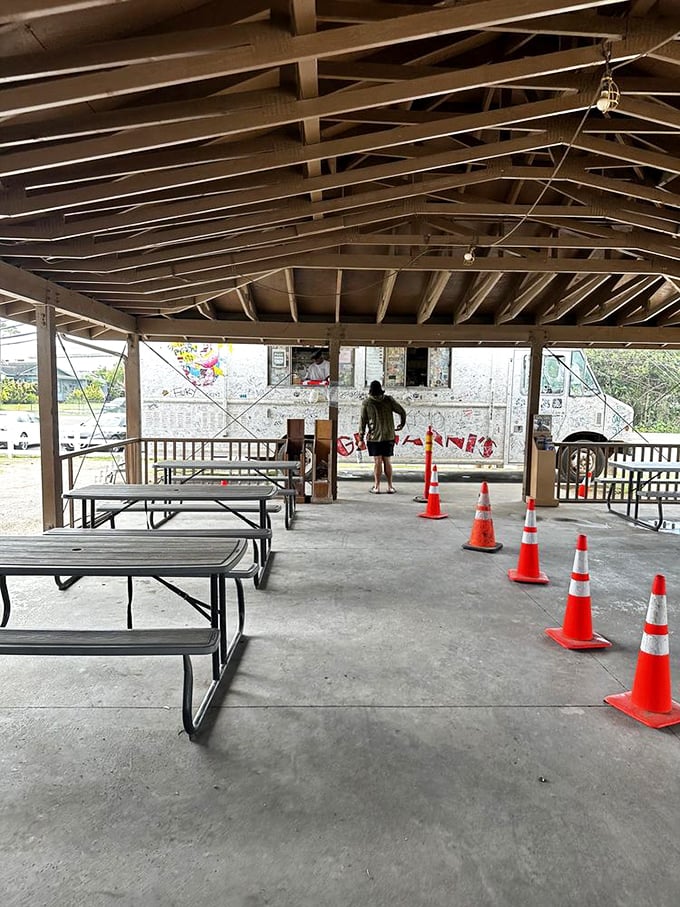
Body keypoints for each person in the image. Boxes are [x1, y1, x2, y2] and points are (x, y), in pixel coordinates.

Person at [359, 380, 406, 494]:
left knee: (377, 461)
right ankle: (390, 486)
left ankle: (376, 487)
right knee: (387, 461)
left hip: (374, 437)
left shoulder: (367, 403)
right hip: (388, 435)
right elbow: (402, 411)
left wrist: (361, 438)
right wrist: (402, 423)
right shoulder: (389, 400)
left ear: (370, 390)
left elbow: (362, 421)